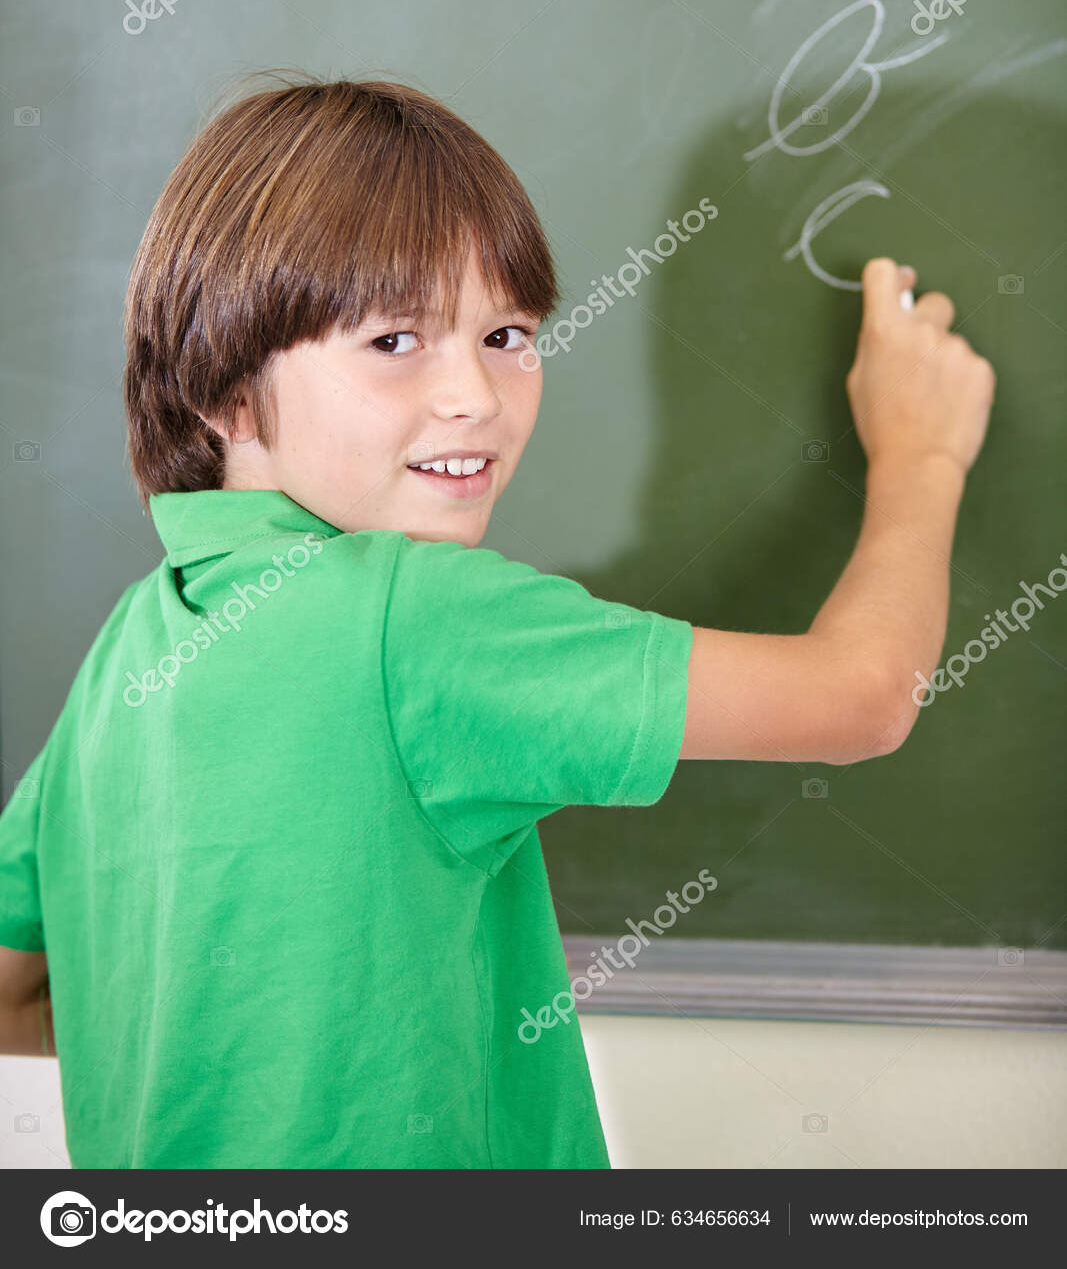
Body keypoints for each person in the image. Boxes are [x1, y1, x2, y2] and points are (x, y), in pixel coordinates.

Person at [0, 75, 995, 1169]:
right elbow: (859, 696)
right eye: (394, 340)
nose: (475, 393)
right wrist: (918, 456)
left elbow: (13, 993)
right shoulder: (413, 616)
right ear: (223, 387)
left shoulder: (125, 658)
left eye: (508, 332)